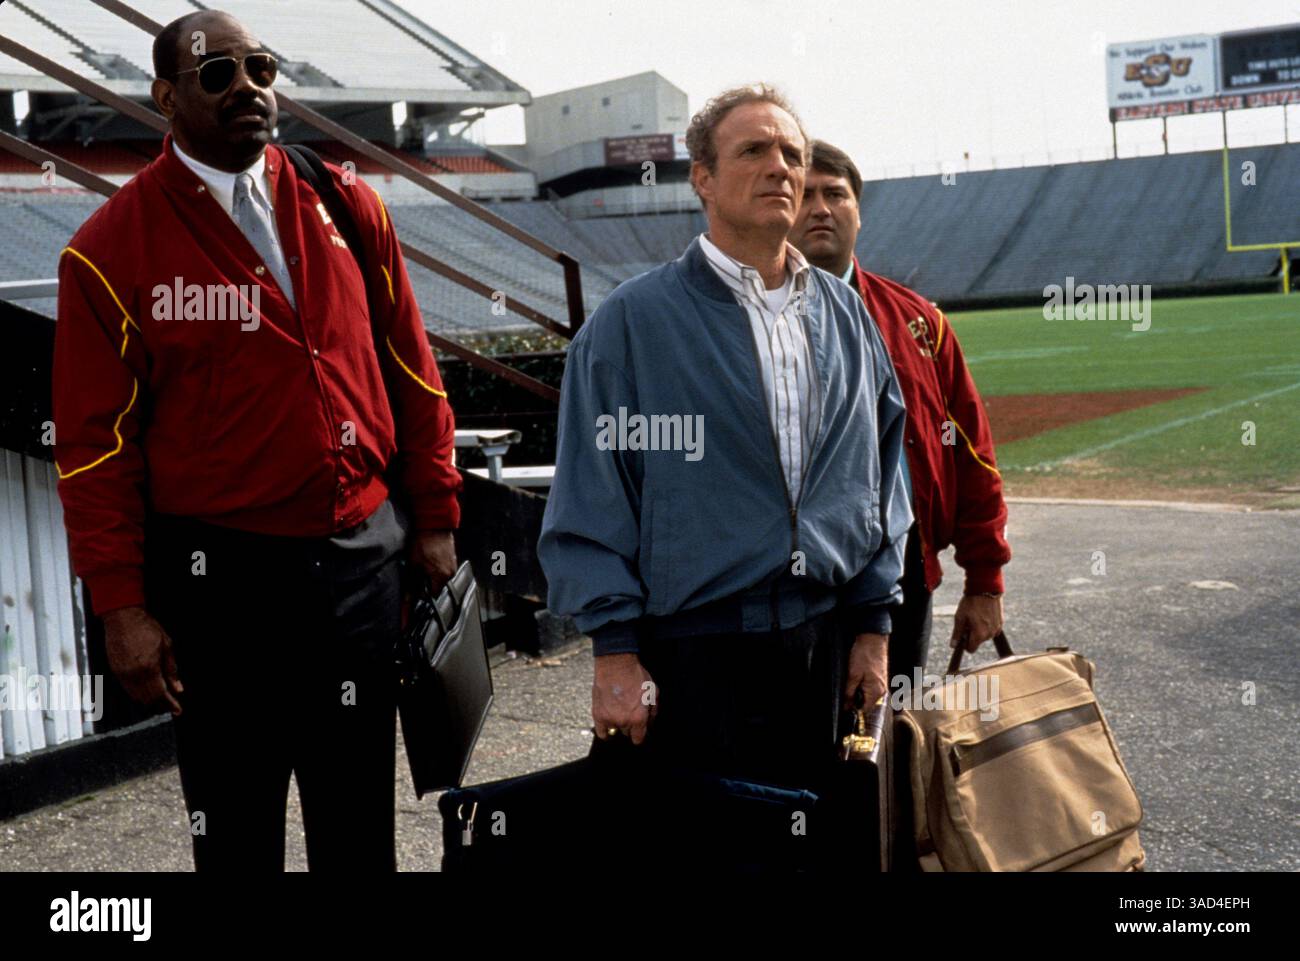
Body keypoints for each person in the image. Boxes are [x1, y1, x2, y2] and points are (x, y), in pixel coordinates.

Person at [52, 10, 461, 871]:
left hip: (358, 571)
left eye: (261, 68)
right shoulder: (107, 251)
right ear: (166, 98)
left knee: (360, 836)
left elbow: (414, 371)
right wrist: (122, 607)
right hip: (220, 589)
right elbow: (94, 452)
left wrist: (435, 515)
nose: (247, 87)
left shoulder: (346, 203)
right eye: (216, 75)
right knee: (236, 839)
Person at [538, 85, 911, 862]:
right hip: (694, 661)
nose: (782, 168)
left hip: (822, 651)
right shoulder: (630, 324)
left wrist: (874, 628)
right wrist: (614, 649)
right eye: (754, 151)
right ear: (701, 177)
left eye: (794, 155)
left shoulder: (847, 318)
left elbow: (881, 477)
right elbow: (591, 495)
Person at [790, 140, 1011, 685]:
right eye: (805, 194)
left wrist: (984, 582)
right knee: (799, 750)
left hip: (906, 574)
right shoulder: (751, 320)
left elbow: (972, 453)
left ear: (858, 214)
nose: (821, 208)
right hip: (794, 582)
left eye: (836, 194)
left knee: (892, 736)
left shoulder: (919, 323)